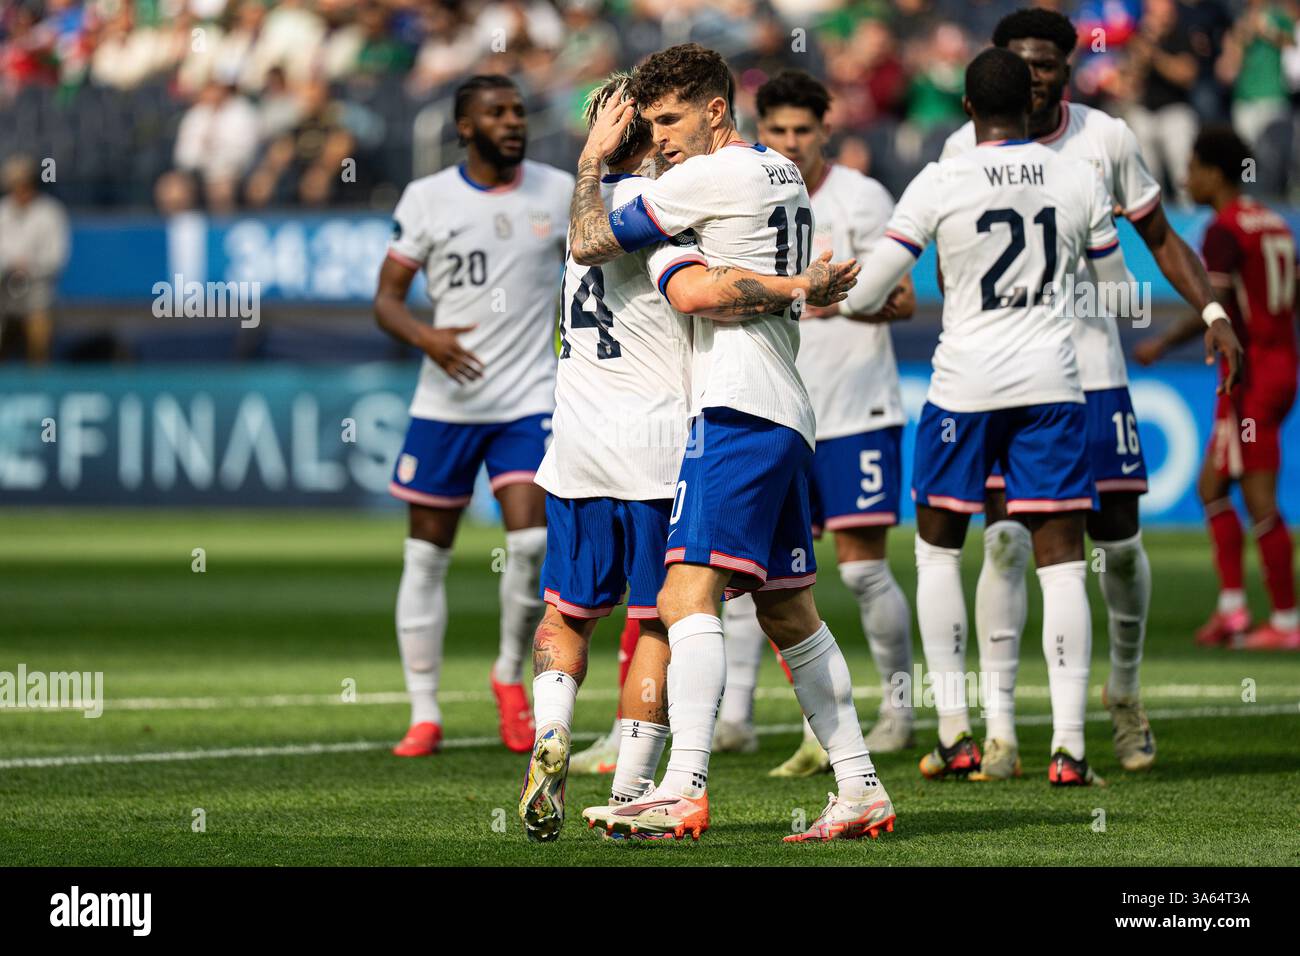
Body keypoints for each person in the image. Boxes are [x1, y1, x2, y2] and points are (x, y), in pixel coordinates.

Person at [517, 70, 859, 843]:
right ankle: (853, 781)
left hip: (625, 432)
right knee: (765, 610)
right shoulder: (762, 177)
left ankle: (663, 780)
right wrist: (797, 286)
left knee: (623, 609)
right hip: (715, 422)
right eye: (657, 126)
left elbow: (627, 268)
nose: (667, 138)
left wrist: (589, 164)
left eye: (675, 119)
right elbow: (696, 286)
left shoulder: (645, 205)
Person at [938, 7, 1243, 779]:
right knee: (1005, 540)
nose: (1033, 76)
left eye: (1046, 64)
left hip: (1093, 374)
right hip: (1007, 380)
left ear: (1069, 71)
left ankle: (1125, 693)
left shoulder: (1104, 139)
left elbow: (1162, 235)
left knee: (1118, 544)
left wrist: (1210, 309)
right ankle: (1001, 729)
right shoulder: (957, 149)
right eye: (1020, 63)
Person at [857, 46, 1138, 787]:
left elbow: (868, 290)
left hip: (964, 388)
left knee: (940, 550)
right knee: (1063, 561)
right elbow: (1115, 292)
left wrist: (849, 298)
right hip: (1053, 385)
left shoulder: (940, 178)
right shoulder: (1081, 176)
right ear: (1033, 102)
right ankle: (1072, 750)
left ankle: (956, 735)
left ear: (968, 106)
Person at [713, 69, 918, 778]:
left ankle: (898, 710)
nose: (793, 143)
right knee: (747, 576)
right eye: (779, 132)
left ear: (826, 130)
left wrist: (847, 296)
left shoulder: (862, 196)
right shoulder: (742, 192)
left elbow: (906, 300)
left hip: (856, 408)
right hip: (772, 410)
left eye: (804, 131)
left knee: (863, 573)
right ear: (759, 132)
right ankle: (735, 717)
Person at [373, 75, 572, 758]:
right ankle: (424, 713)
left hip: (528, 400)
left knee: (530, 544)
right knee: (426, 556)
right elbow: (387, 300)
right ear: (464, 127)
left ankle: (508, 677)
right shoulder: (427, 199)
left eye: (518, 110)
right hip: (445, 405)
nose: (513, 121)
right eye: (496, 112)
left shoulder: (558, 190)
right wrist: (427, 338)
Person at [1135, 126, 1298, 651]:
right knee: (1212, 486)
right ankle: (1233, 610)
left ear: (1213, 173)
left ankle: (1287, 621)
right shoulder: (1275, 222)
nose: (1185, 178)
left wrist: (1162, 343)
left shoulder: (1223, 229)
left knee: (1258, 496)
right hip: (1277, 364)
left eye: (1192, 168)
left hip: (1249, 374)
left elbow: (1217, 309)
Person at [0, 155, 69, 364]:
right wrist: (10, 266)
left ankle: (39, 385)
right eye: (14, 184)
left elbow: (56, 258)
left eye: (23, 183)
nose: (19, 189)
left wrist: (29, 267)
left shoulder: (50, 213)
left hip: (37, 296)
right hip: (3, 294)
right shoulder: (2, 212)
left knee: (39, 336)